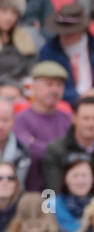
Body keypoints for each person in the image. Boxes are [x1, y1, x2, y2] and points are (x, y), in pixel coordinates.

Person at [39, 95, 94, 196]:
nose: (91, 124)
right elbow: (50, 192)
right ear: (74, 118)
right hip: (63, 210)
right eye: (86, 118)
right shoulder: (55, 150)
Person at [38, 1, 94, 102]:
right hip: (64, 106)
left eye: (70, 33)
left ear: (82, 30)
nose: (65, 36)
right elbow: (44, 87)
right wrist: (76, 97)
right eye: (61, 32)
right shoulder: (48, 51)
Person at [13, 60, 71, 189]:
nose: (55, 90)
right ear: (34, 87)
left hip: (62, 189)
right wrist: (60, 151)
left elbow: (73, 151)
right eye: (49, 84)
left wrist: (37, 144)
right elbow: (28, 150)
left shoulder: (68, 119)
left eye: (59, 85)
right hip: (32, 190)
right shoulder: (20, 120)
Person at [52, 152, 94, 232]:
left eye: (85, 175)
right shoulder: (52, 206)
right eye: (75, 176)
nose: (80, 181)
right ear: (65, 178)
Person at [0, 0, 37, 91]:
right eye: (4, 11)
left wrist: (22, 89)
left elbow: (31, 70)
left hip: (23, 90)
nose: (9, 17)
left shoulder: (24, 39)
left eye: (14, 13)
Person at [0, 97, 31, 189]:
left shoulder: (22, 150)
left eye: (5, 120)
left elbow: (19, 185)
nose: (1, 126)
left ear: (13, 121)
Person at [0, 157, 19, 232]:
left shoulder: (24, 209)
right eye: (0, 178)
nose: (5, 182)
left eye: (10, 178)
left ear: (16, 183)